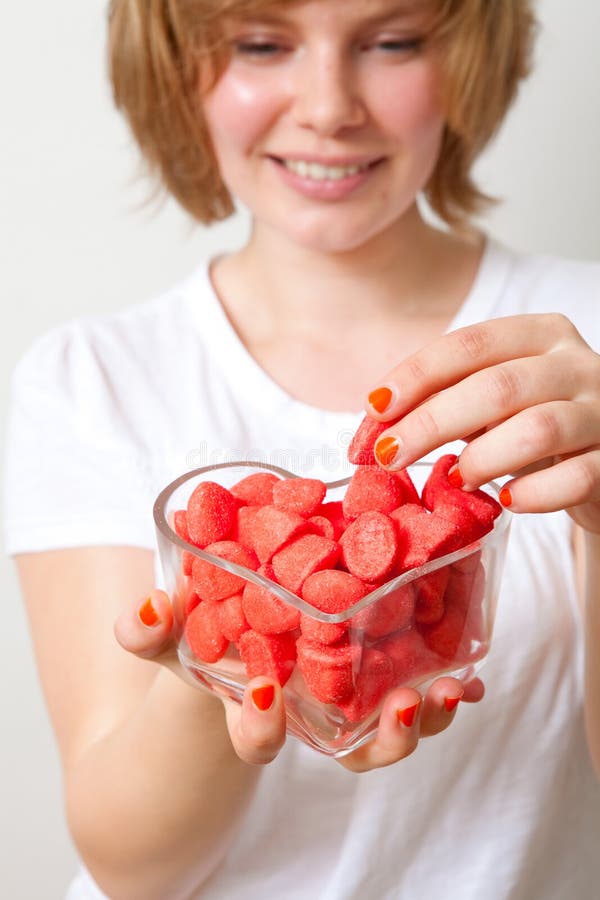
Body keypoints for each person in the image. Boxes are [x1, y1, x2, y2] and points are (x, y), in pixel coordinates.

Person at [4, 0, 600, 898]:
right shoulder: (91, 379)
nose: (328, 105)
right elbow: (129, 866)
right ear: (174, 70)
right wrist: (225, 654)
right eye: (259, 42)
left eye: (393, 41)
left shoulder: (579, 357)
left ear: (471, 58)